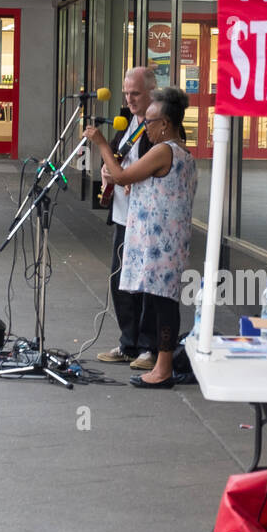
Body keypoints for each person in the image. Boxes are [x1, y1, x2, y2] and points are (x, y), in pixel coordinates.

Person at [85, 86, 197, 389]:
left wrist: (101, 143)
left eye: (150, 122)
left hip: (159, 244)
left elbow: (121, 176)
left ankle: (162, 370)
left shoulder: (164, 150)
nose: (145, 127)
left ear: (166, 124)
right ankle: (163, 366)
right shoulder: (182, 152)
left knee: (163, 305)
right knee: (164, 303)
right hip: (169, 242)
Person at [97, 66, 158, 369]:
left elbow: (163, 166)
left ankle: (149, 347)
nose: (130, 99)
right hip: (123, 214)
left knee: (144, 284)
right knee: (121, 281)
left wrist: (133, 177)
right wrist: (106, 170)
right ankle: (128, 343)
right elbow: (115, 156)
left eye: (135, 93)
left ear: (151, 91)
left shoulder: (159, 125)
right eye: (126, 93)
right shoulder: (126, 120)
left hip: (146, 219)